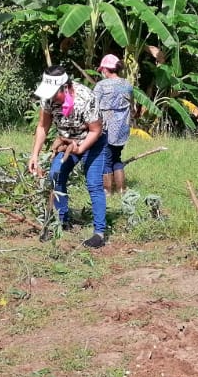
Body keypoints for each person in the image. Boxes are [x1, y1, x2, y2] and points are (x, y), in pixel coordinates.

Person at [28, 66, 108, 248]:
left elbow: (96, 130)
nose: (49, 97)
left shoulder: (86, 98)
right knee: (55, 175)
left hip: (93, 142)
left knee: (93, 183)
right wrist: (34, 155)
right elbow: (42, 127)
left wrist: (79, 149)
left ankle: (99, 233)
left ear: (65, 88)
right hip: (67, 142)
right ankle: (61, 221)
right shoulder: (48, 99)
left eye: (53, 93)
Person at [93, 52, 133, 196]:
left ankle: (107, 191)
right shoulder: (127, 85)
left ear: (105, 69)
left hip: (107, 128)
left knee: (106, 159)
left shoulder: (101, 86)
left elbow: (93, 107)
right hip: (123, 128)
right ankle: (122, 190)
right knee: (116, 158)